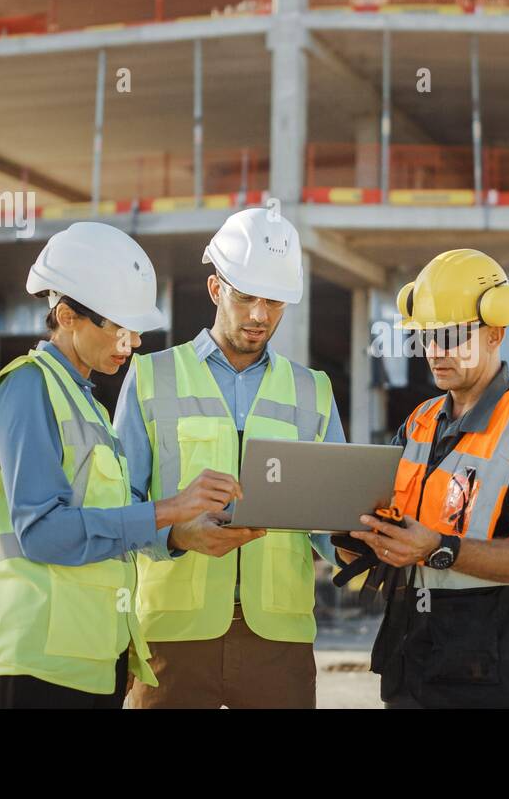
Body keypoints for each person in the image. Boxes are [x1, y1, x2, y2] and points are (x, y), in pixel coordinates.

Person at [0, 221, 256, 709]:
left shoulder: (88, 405)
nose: (134, 342)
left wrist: (179, 533)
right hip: (38, 665)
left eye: (137, 329)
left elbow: (108, 531)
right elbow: (42, 532)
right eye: (120, 327)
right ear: (66, 315)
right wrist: (170, 508)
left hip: (91, 659)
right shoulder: (27, 389)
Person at [115, 208, 346, 709]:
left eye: (275, 301)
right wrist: (175, 535)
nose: (260, 315)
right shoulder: (152, 377)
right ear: (216, 288)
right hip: (172, 634)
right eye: (245, 297)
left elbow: (330, 521)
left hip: (278, 638)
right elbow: (119, 505)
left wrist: (358, 548)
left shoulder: (315, 391)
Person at [348, 248, 509, 709]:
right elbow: (394, 521)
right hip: (411, 667)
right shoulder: (418, 422)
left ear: (495, 333)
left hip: (488, 679)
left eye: (452, 337)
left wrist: (439, 549)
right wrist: (356, 537)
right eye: (428, 337)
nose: (435, 352)